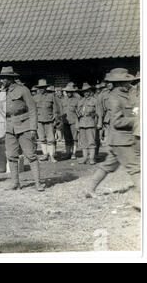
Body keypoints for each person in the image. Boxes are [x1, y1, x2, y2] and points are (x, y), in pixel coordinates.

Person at [85, 68, 140, 210]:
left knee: (108, 165)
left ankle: (89, 189)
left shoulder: (126, 95)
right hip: (122, 140)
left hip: (123, 139)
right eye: (127, 82)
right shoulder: (114, 98)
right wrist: (137, 120)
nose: (130, 84)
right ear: (120, 83)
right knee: (135, 168)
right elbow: (116, 122)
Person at [0, 66, 44, 191]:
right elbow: (0, 111)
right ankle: (15, 183)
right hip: (9, 128)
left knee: (31, 155)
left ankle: (38, 183)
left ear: (10, 79)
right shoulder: (2, 92)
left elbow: (32, 109)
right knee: (11, 156)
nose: (1, 81)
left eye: (3, 78)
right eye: (1, 78)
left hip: (24, 126)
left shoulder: (23, 90)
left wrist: (33, 128)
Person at [33, 79, 60, 163]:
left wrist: (55, 118)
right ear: (38, 88)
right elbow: (33, 110)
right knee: (42, 138)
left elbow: (56, 109)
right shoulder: (35, 97)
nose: (42, 89)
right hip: (39, 120)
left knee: (51, 139)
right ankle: (45, 154)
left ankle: (51, 156)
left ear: (46, 88)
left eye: (43, 87)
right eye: (40, 88)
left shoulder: (51, 96)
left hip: (49, 120)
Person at [77, 82, 98, 165]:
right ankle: (85, 158)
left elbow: (98, 112)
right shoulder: (81, 101)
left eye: (87, 91)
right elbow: (77, 113)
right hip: (82, 123)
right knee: (83, 142)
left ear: (90, 91)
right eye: (84, 91)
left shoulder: (95, 101)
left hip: (90, 123)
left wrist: (98, 123)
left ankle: (92, 158)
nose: (85, 93)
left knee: (91, 141)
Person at [61, 82, 79, 159]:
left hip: (74, 121)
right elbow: (61, 111)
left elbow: (79, 112)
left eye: (70, 92)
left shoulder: (77, 100)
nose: (69, 93)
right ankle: (68, 153)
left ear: (73, 92)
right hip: (65, 122)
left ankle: (74, 153)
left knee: (74, 138)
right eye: (67, 92)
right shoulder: (63, 100)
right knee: (67, 138)